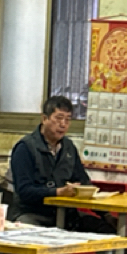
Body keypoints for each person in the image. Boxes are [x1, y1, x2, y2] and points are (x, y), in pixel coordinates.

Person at [9, 95, 103, 228]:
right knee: (27, 229)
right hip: (34, 214)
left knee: (104, 229)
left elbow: (83, 182)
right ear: (44, 119)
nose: (63, 124)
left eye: (67, 119)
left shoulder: (69, 147)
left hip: (66, 215)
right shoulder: (25, 148)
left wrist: (106, 214)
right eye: (58, 118)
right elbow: (25, 191)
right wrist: (57, 192)